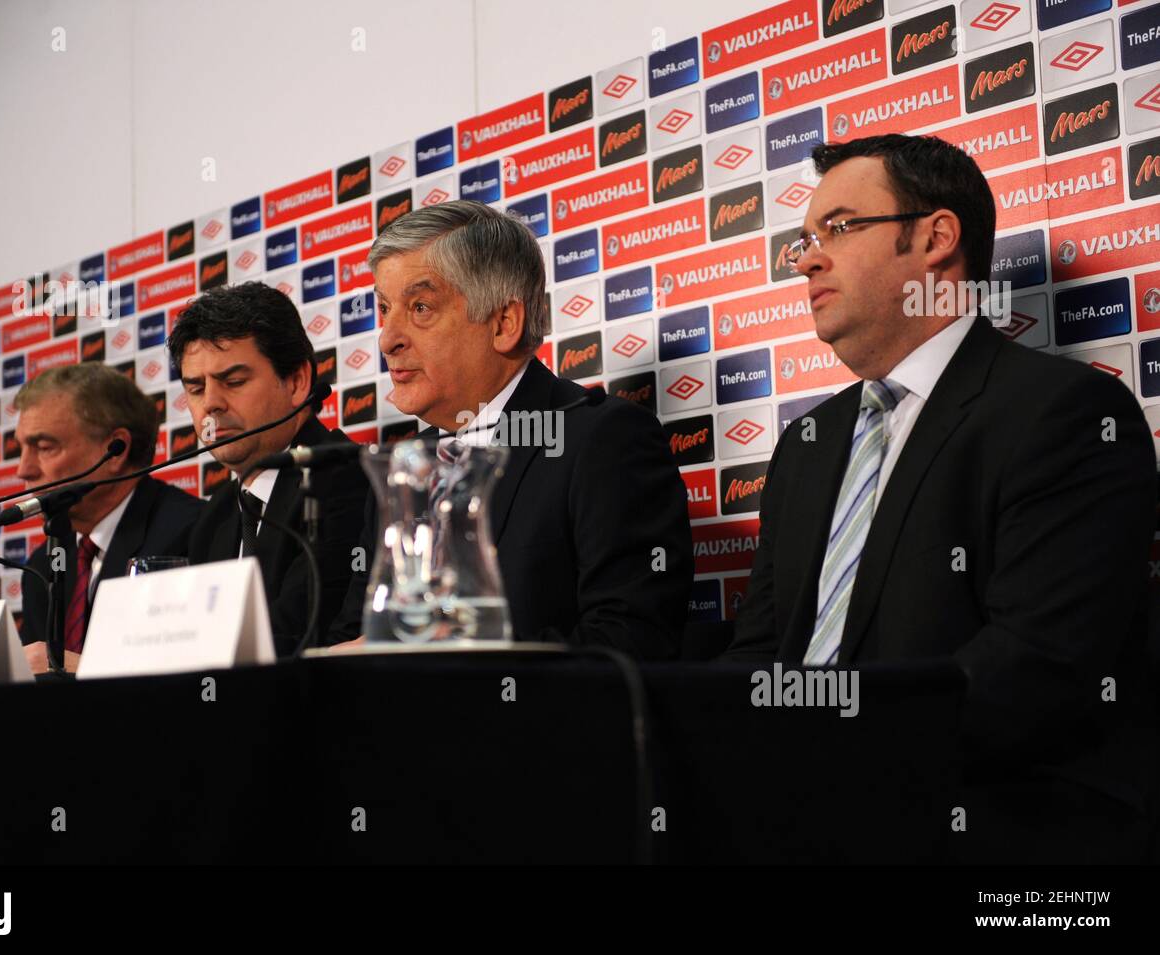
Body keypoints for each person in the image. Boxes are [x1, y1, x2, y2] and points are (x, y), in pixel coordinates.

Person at [723, 134, 1157, 862]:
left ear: (935, 238)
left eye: (838, 228)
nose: (806, 259)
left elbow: (1031, 674)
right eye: (803, 239)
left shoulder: (1066, 415)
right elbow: (762, 652)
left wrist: (816, 753)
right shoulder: (807, 446)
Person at [327, 200, 692, 659]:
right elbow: (355, 633)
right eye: (384, 308)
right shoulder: (405, 466)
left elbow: (629, 644)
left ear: (504, 323)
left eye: (420, 307)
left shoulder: (602, 440)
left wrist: (445, 667)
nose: (387, 338)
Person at [169, 282, 367, 655]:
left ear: (296, 382)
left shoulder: (342, 478)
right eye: (195, 388)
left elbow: (293, 634)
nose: (210, 404)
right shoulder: (217, 513)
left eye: (234, 382)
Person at [14, 362, 202, 672]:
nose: (24, 469)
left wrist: (83, 668)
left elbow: (192, 674)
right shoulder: (42, 566)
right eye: (21, 449)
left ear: (116, 450)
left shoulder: (191, 534)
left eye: (44, 446)